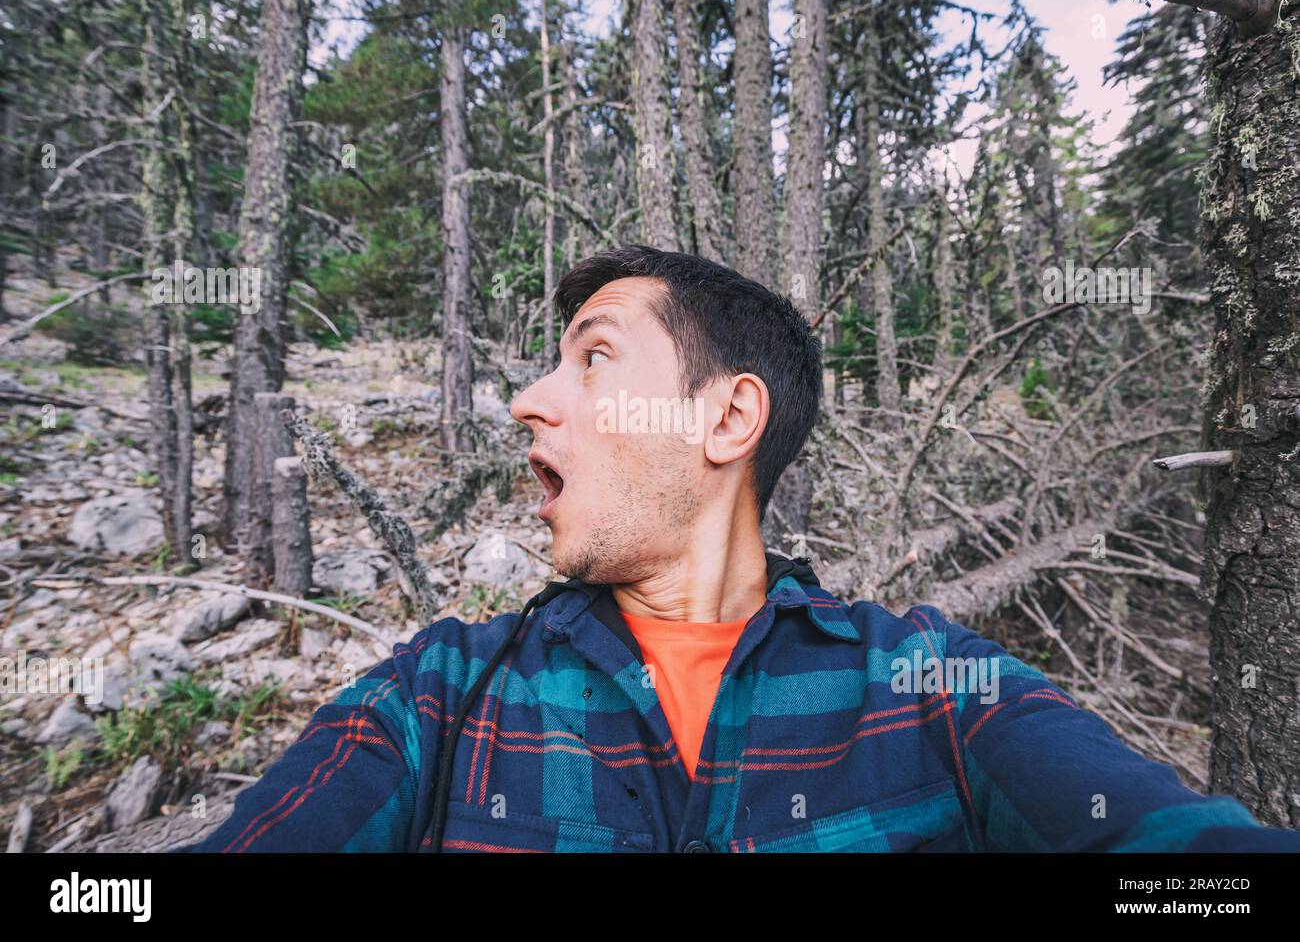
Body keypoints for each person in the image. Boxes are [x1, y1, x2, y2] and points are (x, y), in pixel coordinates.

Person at [173, 245, 1300, 852]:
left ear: (725, 419)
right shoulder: (442, 694)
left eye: (593, 356)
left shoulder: (927, 686)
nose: (527, 399)